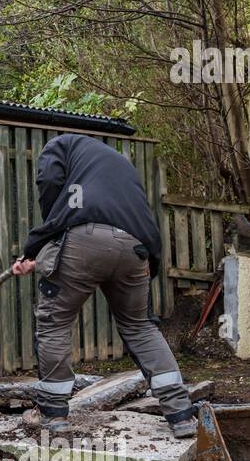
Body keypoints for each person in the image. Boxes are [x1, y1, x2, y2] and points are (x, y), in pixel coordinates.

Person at [10, 133, 196, 438]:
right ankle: (180, 413)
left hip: (82, 243)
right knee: (140, 326)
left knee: (54, 323)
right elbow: (136, 220)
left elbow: (51, 183)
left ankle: (54, 415)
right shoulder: (119, 163)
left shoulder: (59, 145)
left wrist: (40, 244)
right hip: (137, 249)